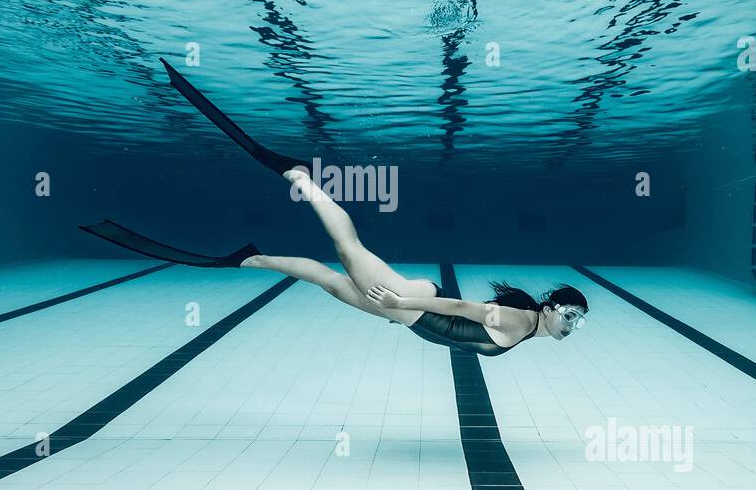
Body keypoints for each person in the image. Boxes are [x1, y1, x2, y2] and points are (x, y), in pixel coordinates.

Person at [81, 60, 588, 357]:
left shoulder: (529, 327)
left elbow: (459, 320)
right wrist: (403, 306)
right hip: (407, 302)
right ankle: (299, 177)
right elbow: (461, 310)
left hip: (409, 308)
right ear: (548, 308)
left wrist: (406, 311)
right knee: (347, 248)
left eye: (577, 322)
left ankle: (250, 258)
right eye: (569, 314)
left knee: (326, 279)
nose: (570, 325)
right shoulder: (523, 323)